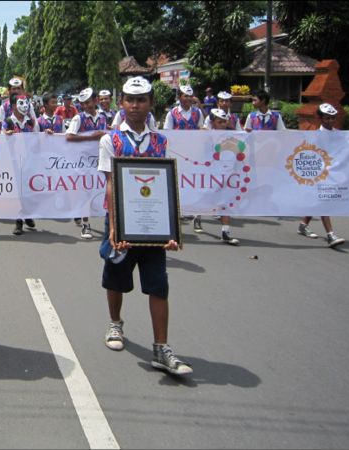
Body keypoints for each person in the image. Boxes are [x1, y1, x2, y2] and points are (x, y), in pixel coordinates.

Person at [97, 76, 192, 376]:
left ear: (151, 103)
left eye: (141, 100)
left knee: (158, 283)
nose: (135, 106)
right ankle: (115, 323)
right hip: (121, 221)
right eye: (130, 100)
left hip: (153, 226)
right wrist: (115, 227)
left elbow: (166, 186)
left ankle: (161, 347)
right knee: (116, 276)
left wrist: (172, 230)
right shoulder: (110, 140)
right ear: (121, 103)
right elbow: (110, 183)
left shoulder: (161, 142)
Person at [296, 103, 348, 247]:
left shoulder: (340, 135)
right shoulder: (314, 136)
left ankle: (303, 225)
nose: (330, 121)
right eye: (327, 118)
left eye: (332, 118)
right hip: (318, 174)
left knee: (319, 200)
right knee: (323, 200)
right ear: (320, 118)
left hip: (334, 173)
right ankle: (330, 235)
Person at [193, 108, 241, 245]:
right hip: (210, 172)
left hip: (226, 173)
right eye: (220, 122)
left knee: (226, 201)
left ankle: (225, 232)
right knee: (203, 197)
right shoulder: (206, 135)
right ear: (213, 122)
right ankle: (197, 216)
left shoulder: (232, 135)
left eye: (225, 122)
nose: (223, 124)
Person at [65, 87, 107, 239]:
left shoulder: (102, 117)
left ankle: (109, 224)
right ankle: (85, 224)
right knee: (86, 192)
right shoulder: (79, 118)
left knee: (102, 190)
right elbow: (69, 136)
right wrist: (91, 137)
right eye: (83, 103)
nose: (86, 106)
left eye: (88, 102)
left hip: (100, 159)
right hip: (83, 162)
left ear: (95, 101)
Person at [3, 94, 40, 235]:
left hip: (28, 161)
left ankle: (27, 215)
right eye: (21, 103)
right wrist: (6, 134)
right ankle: (19, 222)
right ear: (13, 106)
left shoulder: (30, 122)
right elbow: (2, 136)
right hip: (14, 162)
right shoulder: (8, 122)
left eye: (26, 103)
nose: (25, 106)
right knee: (18, 192)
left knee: (28, 190)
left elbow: (38, 136)